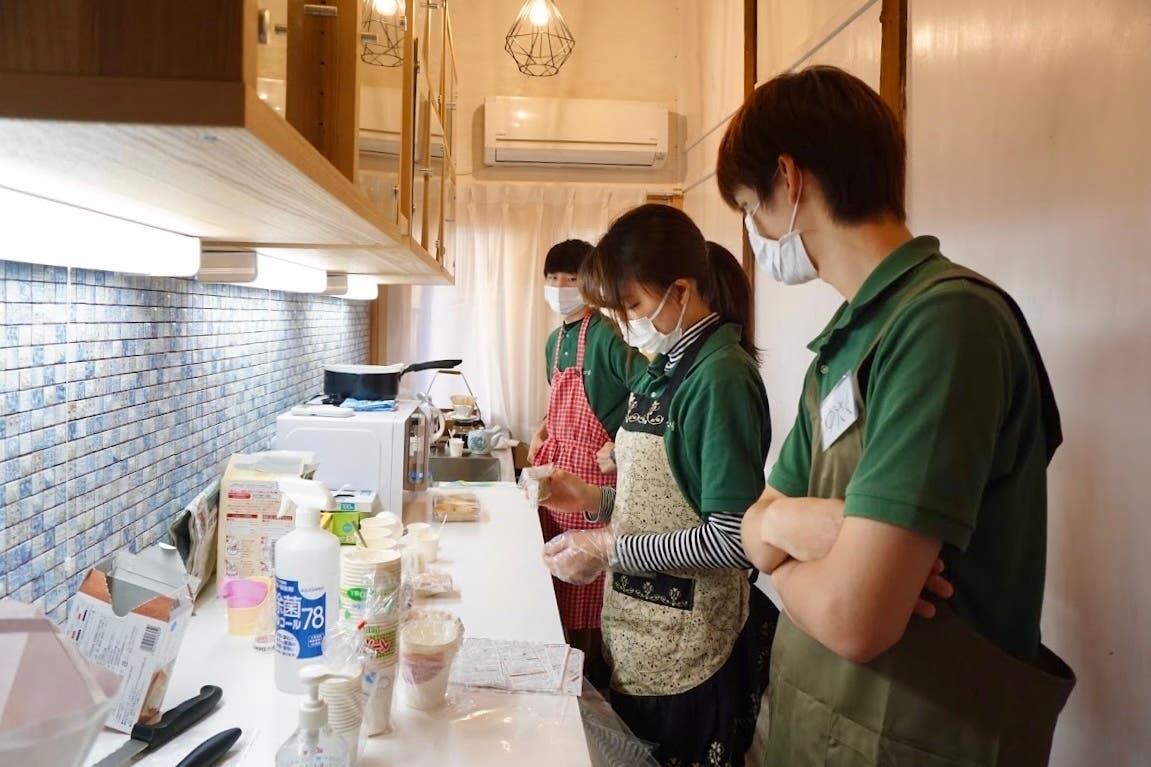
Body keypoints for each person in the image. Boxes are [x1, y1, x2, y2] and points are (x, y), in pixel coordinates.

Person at [718, 65, 1075, 765]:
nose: (755, 235)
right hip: (820, 719)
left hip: (922, 733)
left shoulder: (946, 323)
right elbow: (753, 523)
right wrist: (791, 524)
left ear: (789, 181)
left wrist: (777, 562)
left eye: (747, 208)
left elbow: (856, 618)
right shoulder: (844, 342)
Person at [540, 205, 775, 767]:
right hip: (638, 629)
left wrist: (607, 548)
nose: (626, 324)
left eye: (635, 307)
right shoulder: (663, 367)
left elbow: (731, 539)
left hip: (688, 647)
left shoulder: (720, 377)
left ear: (681, 289)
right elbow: (667, 502)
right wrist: (594, 498)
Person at [528, 238, 643, 687]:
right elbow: (559, 403)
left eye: (571, 278)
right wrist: (542, 427)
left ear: (590, 283)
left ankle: (590, 683)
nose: (560, 286)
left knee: (592, 594)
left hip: (596, 482)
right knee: (557, 584)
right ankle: (560, 674)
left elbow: (651, 397)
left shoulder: (609, 334)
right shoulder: (553, 342)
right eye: (553, 278)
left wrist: (620, 446)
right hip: (558, 474)